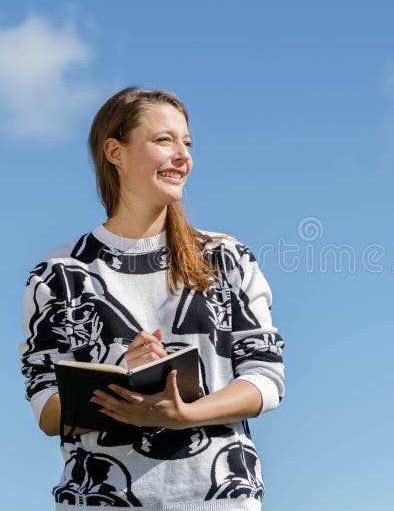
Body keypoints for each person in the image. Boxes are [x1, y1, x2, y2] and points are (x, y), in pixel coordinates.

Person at [19, 86, 285, 510]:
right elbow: (48, 411)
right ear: (115, 152)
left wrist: (183, 414)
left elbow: (266, 380)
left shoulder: (226, 257)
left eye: (187, 142)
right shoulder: (59, 273)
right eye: (164, 140)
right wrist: (117, 374)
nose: (183, 155)